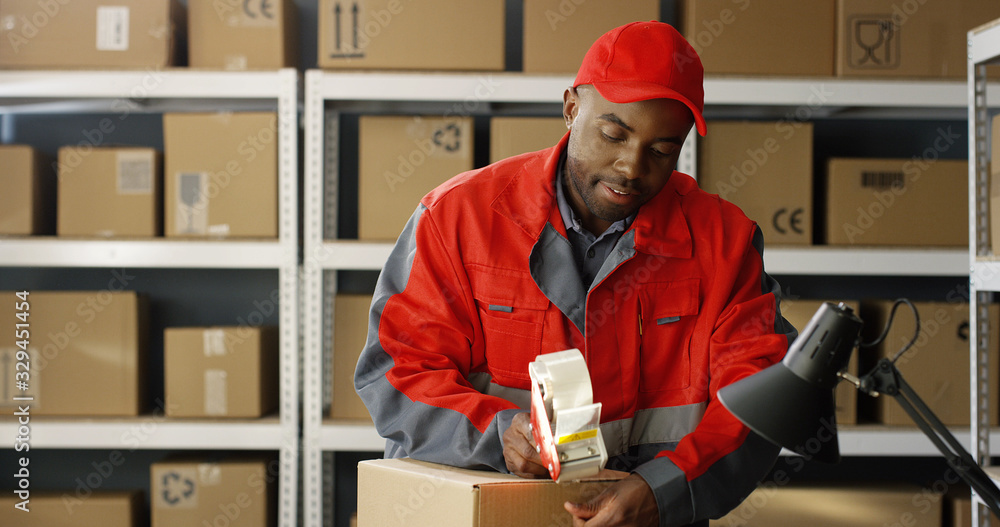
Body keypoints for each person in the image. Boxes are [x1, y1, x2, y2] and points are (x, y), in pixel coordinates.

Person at [355, 20, 796, 527]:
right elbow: (396, 372)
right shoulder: (458, 218)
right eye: (614, 134)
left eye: (662, 150)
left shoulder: (725, 242)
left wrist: (665, 487)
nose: (632, 167)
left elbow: (759, 398)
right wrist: (497, 435)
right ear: (570, 108)